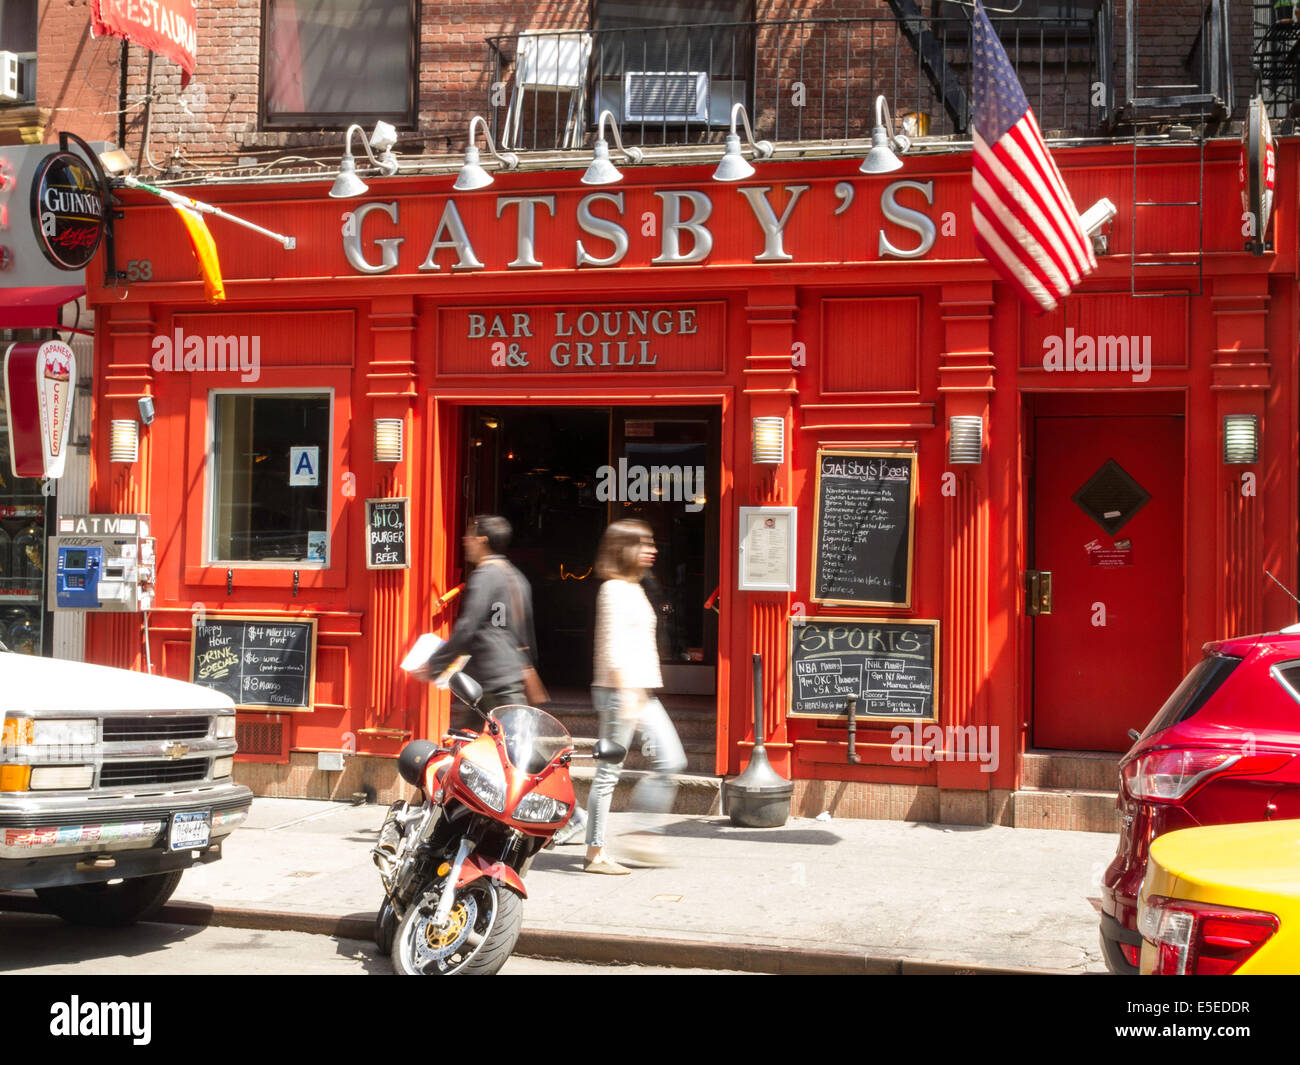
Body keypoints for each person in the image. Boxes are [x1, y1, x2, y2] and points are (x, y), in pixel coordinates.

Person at [583, 519, 687, 875]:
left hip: (640, 691)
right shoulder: (613, 589)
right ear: (624, 548)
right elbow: (613, 649)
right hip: (620, 692)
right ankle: (595, 854)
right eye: (644, 543)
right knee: (608, 775)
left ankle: (641, 836)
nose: (652, 549)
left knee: (671, 761)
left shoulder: (635, 586)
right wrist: (627, 692)